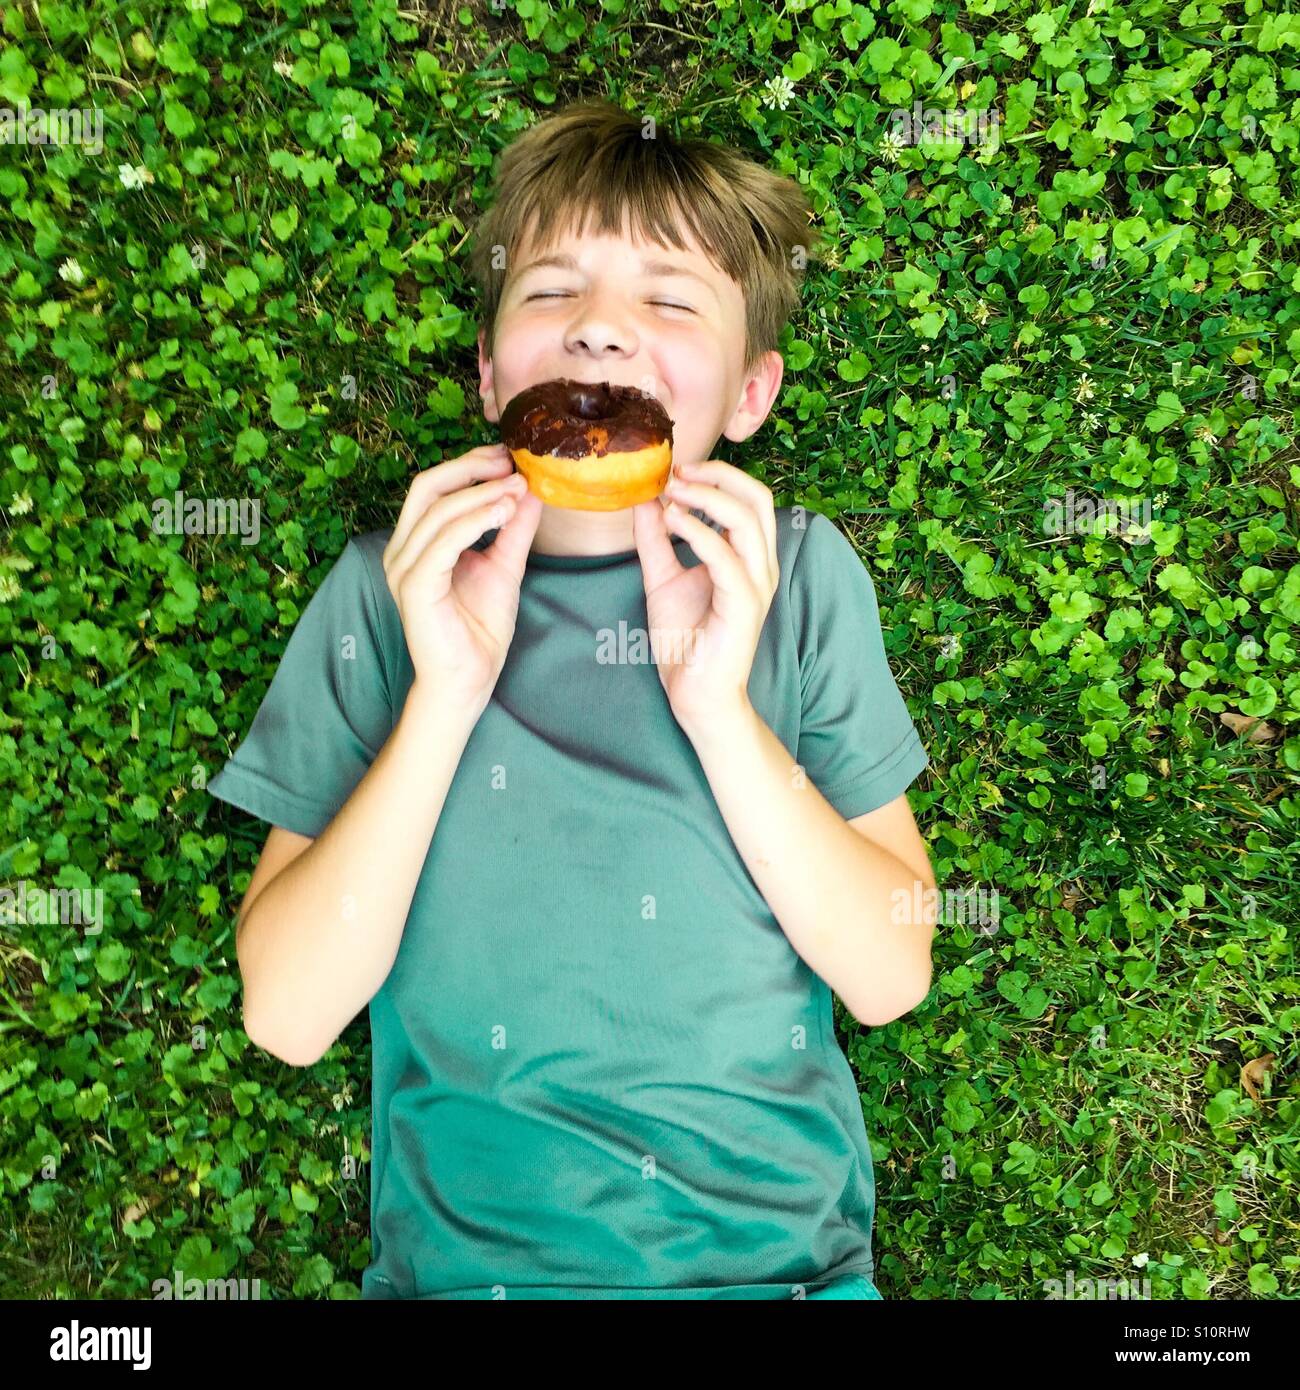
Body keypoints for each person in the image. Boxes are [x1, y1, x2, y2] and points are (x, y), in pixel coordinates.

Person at [208, 99, 936, 1300]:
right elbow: (286, 1014)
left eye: (669, 300)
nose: (601, 331)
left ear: (749, 396)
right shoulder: (384, 594)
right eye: (551, 291)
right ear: (492, 378)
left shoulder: (798, 578)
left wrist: (719, 711)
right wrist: (444, 694)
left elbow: (890, 976)